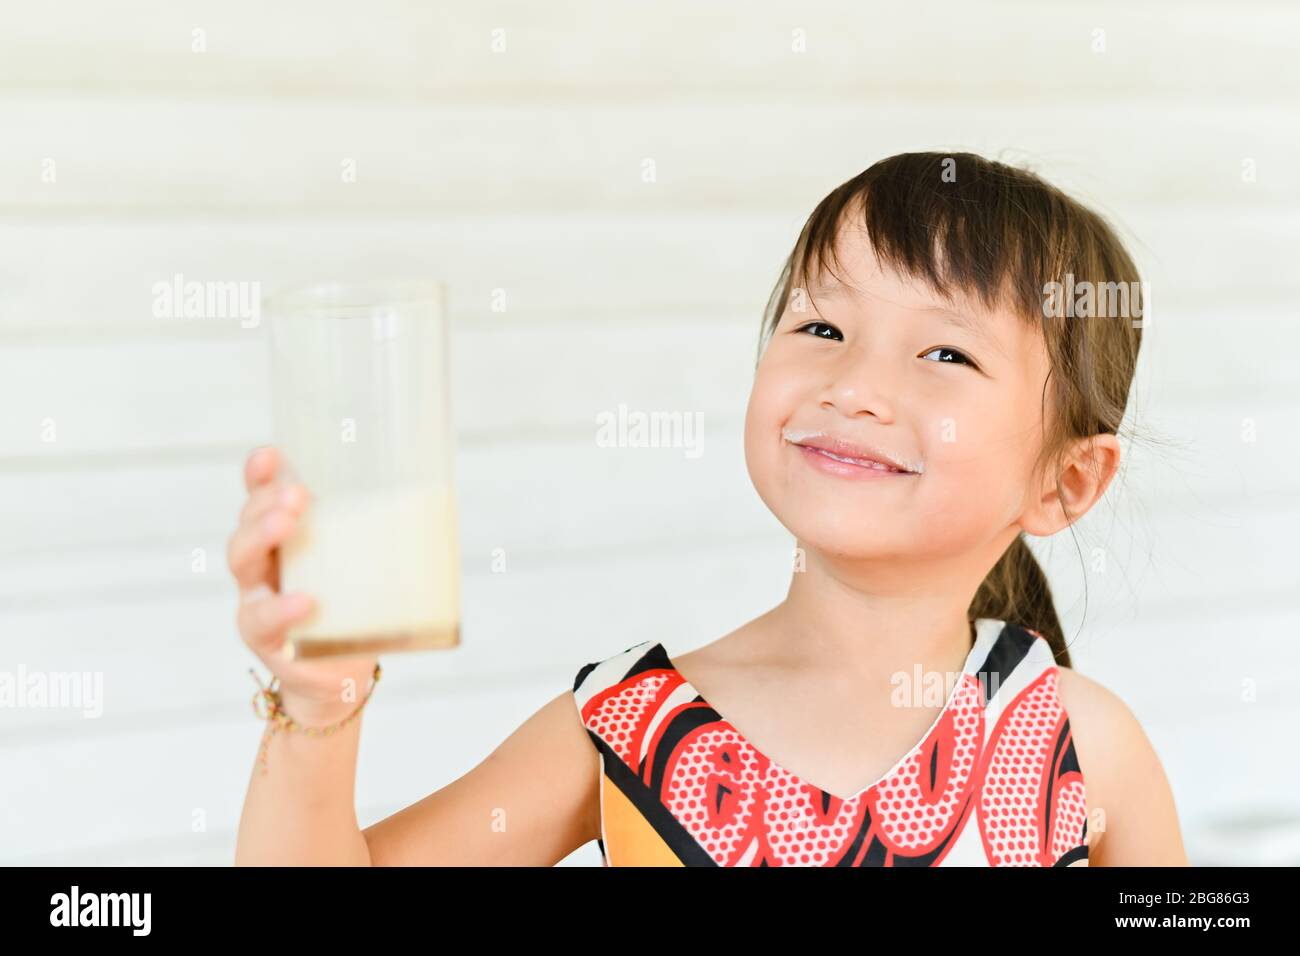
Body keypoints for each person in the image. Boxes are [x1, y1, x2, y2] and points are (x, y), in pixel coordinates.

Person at [230, 151, 1187, 866]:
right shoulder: (624, 725)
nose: (853, 384)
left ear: (1065, 481)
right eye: (821, 326)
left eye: (946, 354)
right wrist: (317, 707)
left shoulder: (1083, 745)